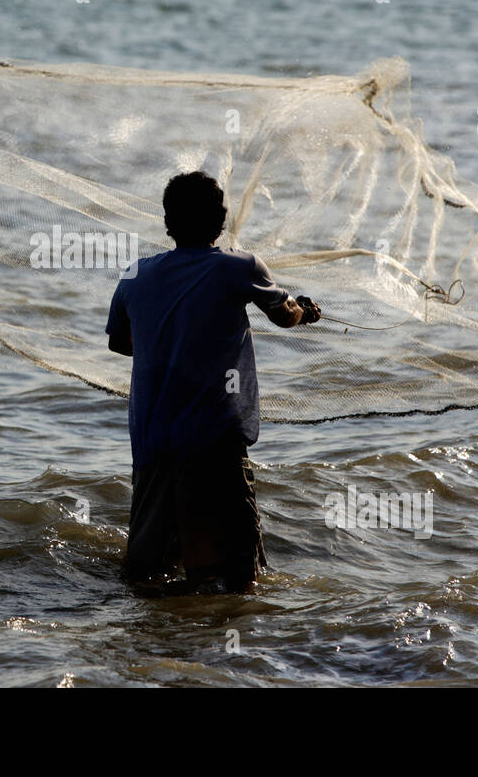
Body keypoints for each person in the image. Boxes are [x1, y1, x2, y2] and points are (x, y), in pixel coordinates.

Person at [105, 171, 320, 593]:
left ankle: (151, 642)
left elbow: (121, 343)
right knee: (240, 574)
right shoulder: (240, 266)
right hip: (215, 438)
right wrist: (306, 311)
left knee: (148, 572)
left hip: (154, 439)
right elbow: (284, 314)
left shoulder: (136, 273)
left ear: (168, 223)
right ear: (221, 221)